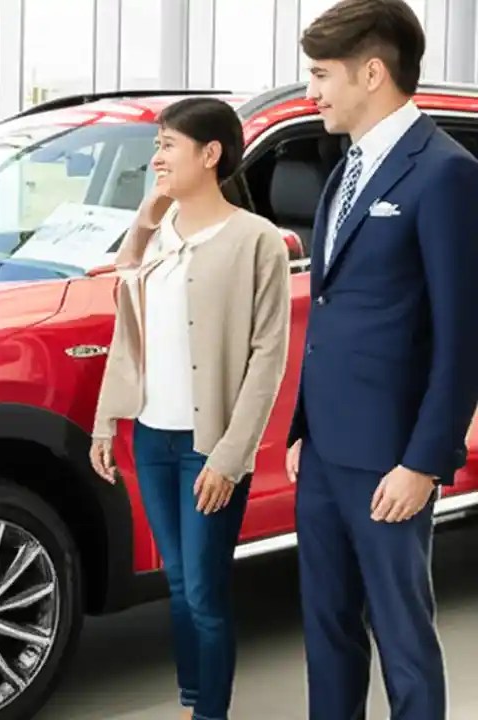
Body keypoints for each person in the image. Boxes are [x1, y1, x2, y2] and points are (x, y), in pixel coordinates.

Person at [286, 1, 478, 717]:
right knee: (327, 631)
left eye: (321, 75)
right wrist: (303, 426)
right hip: (325, 452)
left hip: (391, 457)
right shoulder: (344, 170)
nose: (312, 92)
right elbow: (333, 310)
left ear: (373, 71)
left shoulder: (446, 174)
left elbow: (462, 335)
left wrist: (423, 463)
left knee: (402, 638)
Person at [90, 97, 292, 720]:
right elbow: (129, 331)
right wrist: (106, 420)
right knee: (178, 586)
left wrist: (230, 459)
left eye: (168, 145)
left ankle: (211, 713)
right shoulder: (157, 237)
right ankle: (191, 701)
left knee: (205, 592)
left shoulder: (256, 241)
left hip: (211, 450)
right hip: (154, 441)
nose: (156, 158)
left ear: (210, 154)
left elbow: (268, 360)